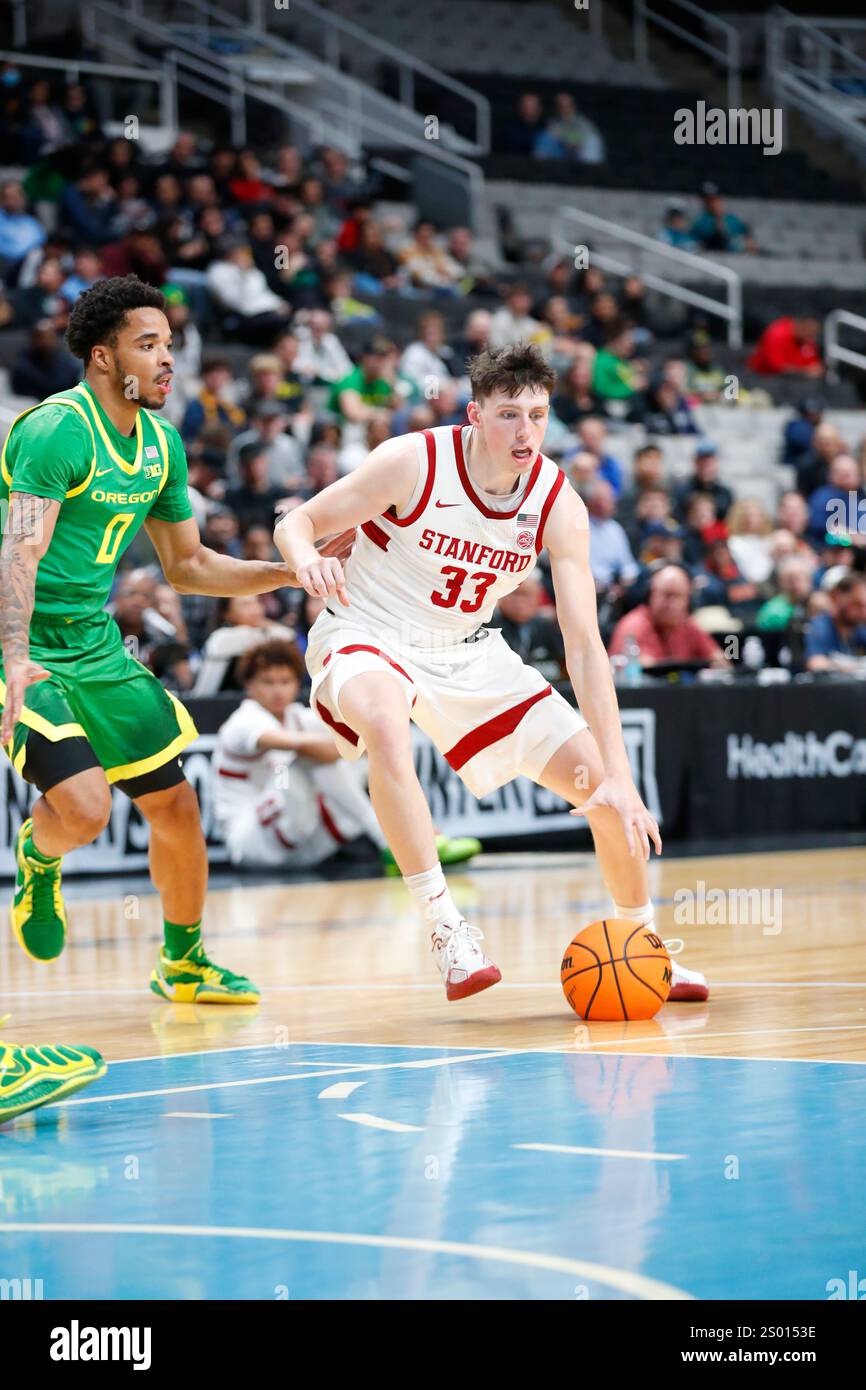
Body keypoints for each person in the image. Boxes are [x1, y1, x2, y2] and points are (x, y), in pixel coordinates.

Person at [274, 341, 708, 1002]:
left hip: (468, 649)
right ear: (475, 415)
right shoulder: (413, 461)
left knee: (602, 788)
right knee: (388, 730)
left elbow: (585, 645)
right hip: (368, 628)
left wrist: (620, 772)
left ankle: (646, 951)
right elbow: (296, 520)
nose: (525, 431)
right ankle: (447, 931)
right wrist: (306, 557)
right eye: (509, 414)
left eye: (537, 414)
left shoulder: (557, 502)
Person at [0, 276, 354, 1085]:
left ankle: (184, 962)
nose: (169, 359)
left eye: (170, 344)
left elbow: (188, 566)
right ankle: (39, 852)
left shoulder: (160, 445)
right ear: (102, 357)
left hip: (93, 641)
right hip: (18, 638)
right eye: (148, 344)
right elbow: (18, 552)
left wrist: (286, 572)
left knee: (175, 803)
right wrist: (15, 656)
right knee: (84, 811)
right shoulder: (57, 429)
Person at [214, 639, 479, 873]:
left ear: (297, 683)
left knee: (375, 763)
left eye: (285, 681)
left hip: (299, 849)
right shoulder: (243, 721)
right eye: (268, 682)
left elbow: (367, 744)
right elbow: (310, 747)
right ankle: (392, 844)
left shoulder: (299, 716)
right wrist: (355, 747)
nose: (277, 691)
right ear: (249, 684)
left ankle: (422, 838)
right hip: (251, 841)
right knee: (311, 757)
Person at [609, 564, 728, 670]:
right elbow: (622, 670)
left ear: (688, 601)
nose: (671, 604)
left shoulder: (688, 625)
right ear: (651, 595)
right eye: (666, 595)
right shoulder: (633, 626)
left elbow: (720, 663)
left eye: (677, 596)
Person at [804, 572, 866, 671]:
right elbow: (816, 664)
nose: (864, 612)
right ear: (836, 597)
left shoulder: (860, 627)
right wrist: (854, 666)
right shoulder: (820, 626)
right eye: (857, 604)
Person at [747, 316, 823, 378]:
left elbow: (814, 366)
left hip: (795, 380)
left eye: (814, 334)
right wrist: (804, 371)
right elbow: (776, 367)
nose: (811, 339)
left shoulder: (807, 341)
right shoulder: (778, 334)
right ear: (801, 326)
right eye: (809, 333)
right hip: (763, 377)